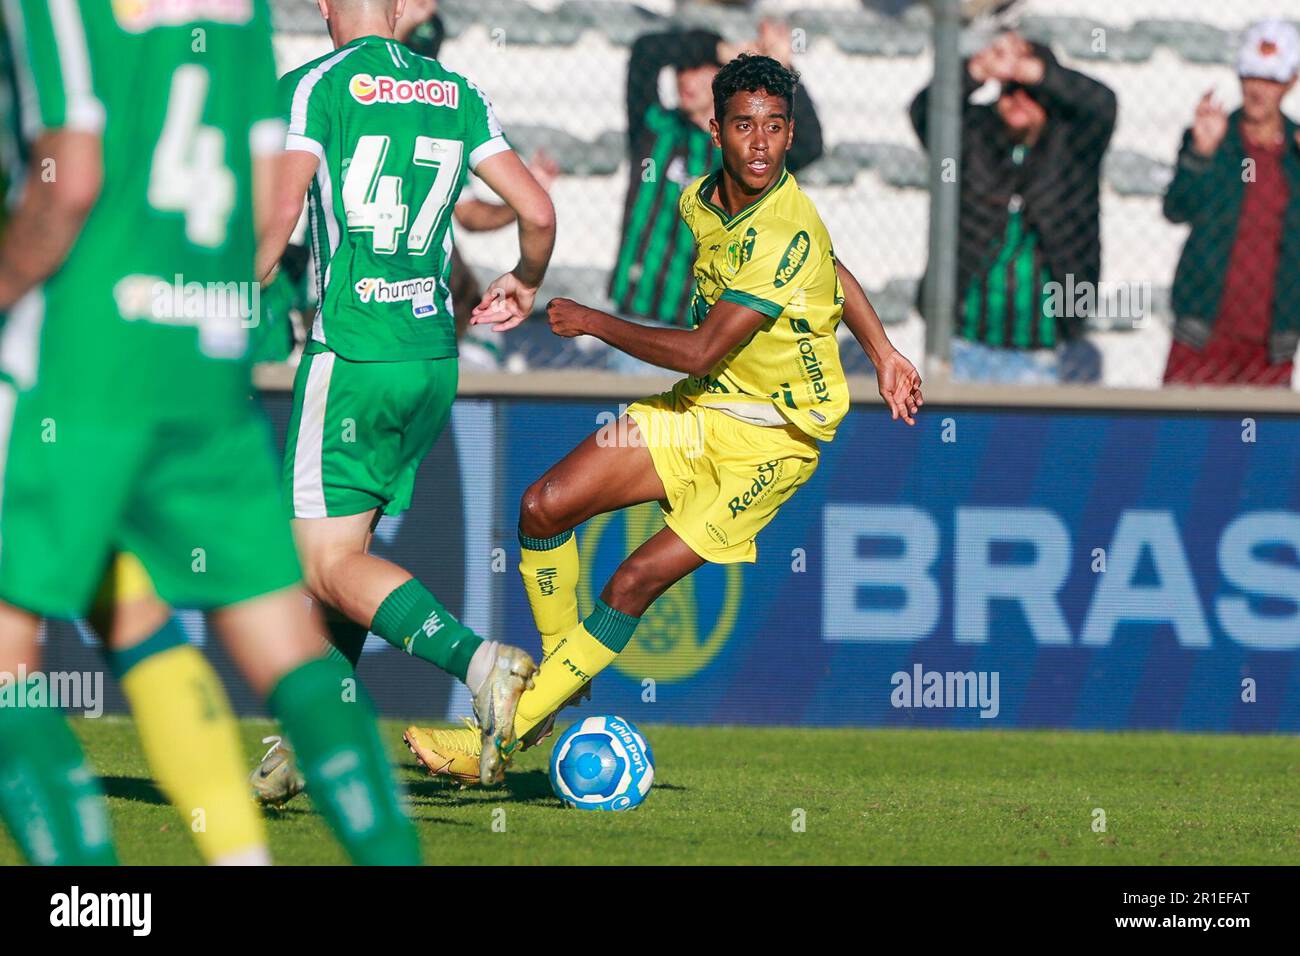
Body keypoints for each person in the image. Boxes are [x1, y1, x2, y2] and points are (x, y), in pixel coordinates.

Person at [405, 53, 922, 779]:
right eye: (745, 125)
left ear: (791, 131)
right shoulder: (702, 199)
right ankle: (564, 671)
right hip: (703, 411)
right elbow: (834, 270)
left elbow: (704, 348)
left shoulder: (782, 229)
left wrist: (592, 320)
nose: (762, 143)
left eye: (776, 127)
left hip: (773, 441)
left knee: (630, 582)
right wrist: (886, 349)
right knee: (543, 507)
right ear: (716, 129)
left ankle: (499, 739)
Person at [0, 0, 419, 865]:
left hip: (80, 358)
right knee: (271, 643)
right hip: (202, 353)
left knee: (6, 662)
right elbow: (271, 188)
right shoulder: (242, 9)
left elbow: (70, 176)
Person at [255, 0, 557, 788]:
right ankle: (310, 738)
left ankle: (479, 661)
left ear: (324, 5)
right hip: (432, 352)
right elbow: (538, 211)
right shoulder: (456, 90)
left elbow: (280, 212)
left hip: (352, 350)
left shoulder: (312, 85)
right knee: (344, 556)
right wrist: (525, 280)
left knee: (320, 565)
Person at [910, 32, 1115, 384]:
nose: (1019, 99)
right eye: (1009, 88)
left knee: (1031, 439)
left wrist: (1030, 70)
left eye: (1031, 91)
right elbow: (927, 108)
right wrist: (977, 69)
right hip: (962, 341)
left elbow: (1103, 103)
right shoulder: (973, 133)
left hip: (1046, 349)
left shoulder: (1075, 142)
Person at [611, 22, 824, 332]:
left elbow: (808, 146)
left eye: (699, 68)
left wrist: (783, 70)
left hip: (708, 329)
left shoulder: (746, 147)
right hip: (640, 317)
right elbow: (646, 52)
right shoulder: (654, 128)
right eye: (681, 68)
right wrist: (718, 50)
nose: (685, 78)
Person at [1161, 19, 1300, 387]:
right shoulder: (1214, 138)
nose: (1258, 89)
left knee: (1261, 443)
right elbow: (1176, 209)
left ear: (1291, 81)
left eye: (1270, 80)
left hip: (1272, 343)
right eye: (1250, 76)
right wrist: (1200, 155)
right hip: (1204, 332)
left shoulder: (1296, 154)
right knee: (1182, 438)